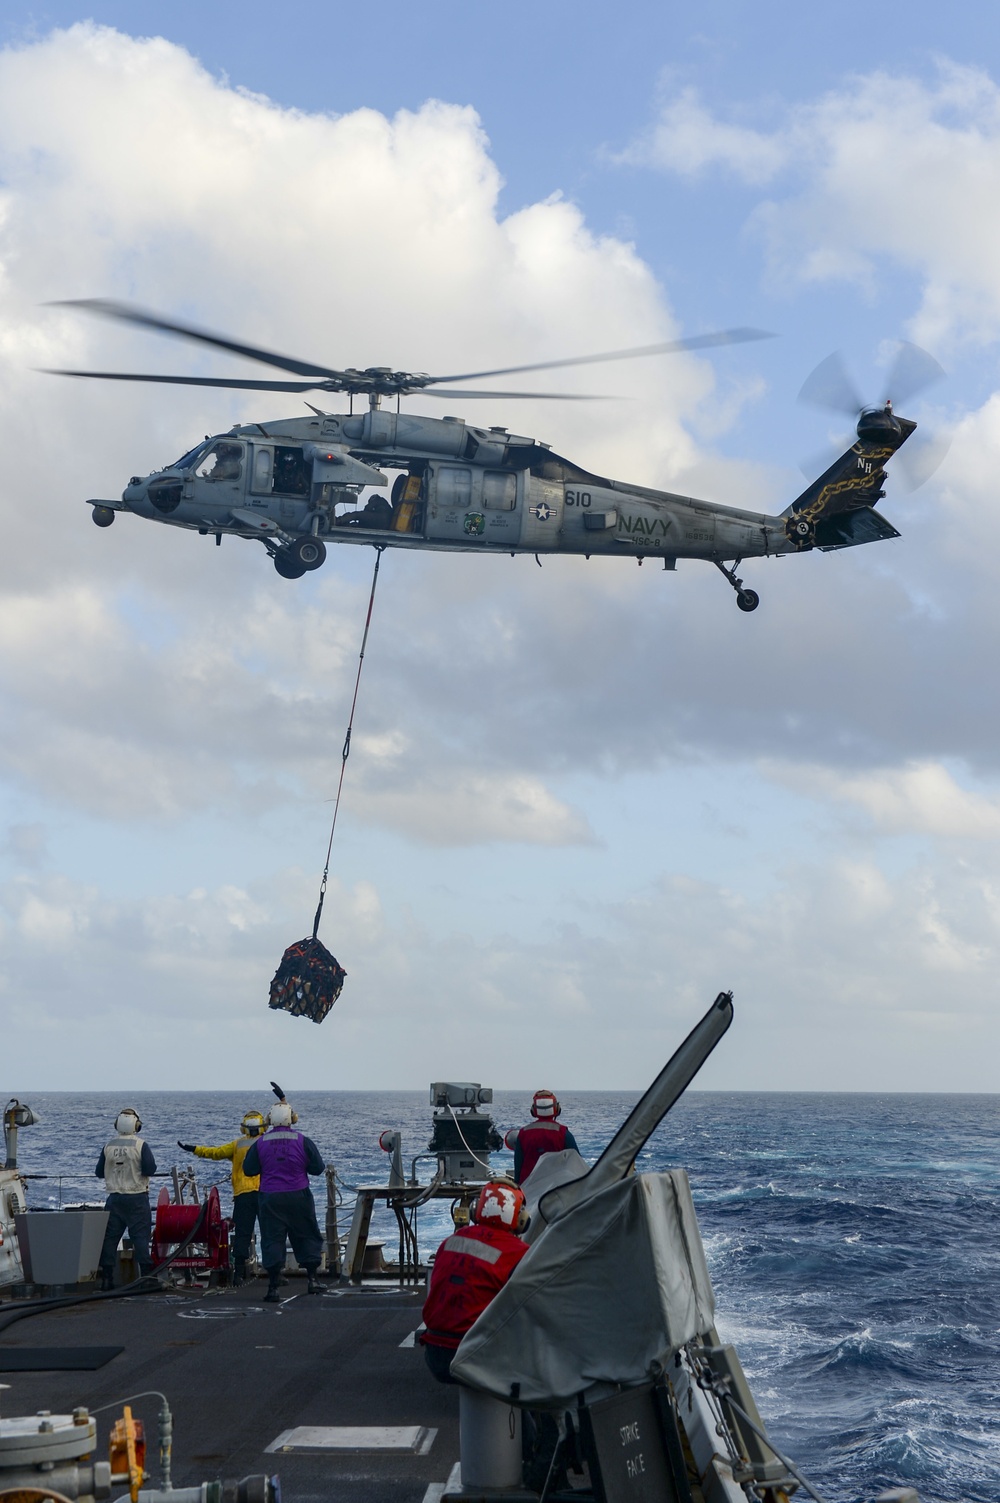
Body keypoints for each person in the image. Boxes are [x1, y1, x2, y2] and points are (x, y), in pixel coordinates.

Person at [420, 1180, 529, 1384]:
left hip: (435, 1353)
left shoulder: (451, 1241)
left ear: (476, 1210)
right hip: (477, 1355)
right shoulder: (519, 1253)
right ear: (521, 1219)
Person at [241, 1098, 325, 1302]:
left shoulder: (261, 1143)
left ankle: (273, 1288)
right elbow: (318, 1168)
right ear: (292, 1119)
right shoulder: (303, 1141)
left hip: (270, 1198)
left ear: (269, 1120)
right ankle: (312, 1280)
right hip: (299, 1196)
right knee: (307, 1235)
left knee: (272, 1239)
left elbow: (249, 1170)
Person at [177, 1110, 266, 1286]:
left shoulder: (237, 1145)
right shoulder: (267, 1143)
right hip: (265, 1194)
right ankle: (275, 1273)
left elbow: (215, 1153)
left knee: (242, 1235)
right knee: (271, 1233)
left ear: (244, 1128)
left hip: (243, 1196)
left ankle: (239, 1274)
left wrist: (194, 1149)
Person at [96, 1107, 157, 1291]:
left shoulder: (108, 1146)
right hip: (137, 1198)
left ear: (117, 1125)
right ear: (136, 1125)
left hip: (114, 1198)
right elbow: (150, 1169)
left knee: (110, 1239)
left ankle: (107, 1279)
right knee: (140, 1237)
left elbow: (99, 1172)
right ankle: (147, 1278)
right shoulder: (140, 1145)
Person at [507, 1091, 579, 1187]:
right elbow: (577, 1163)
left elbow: (518, 1167)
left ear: (533, 1110)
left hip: (528, 1189)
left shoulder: (523, 1133)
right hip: (557, 1189)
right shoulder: (564, 1133)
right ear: (557, 1109)